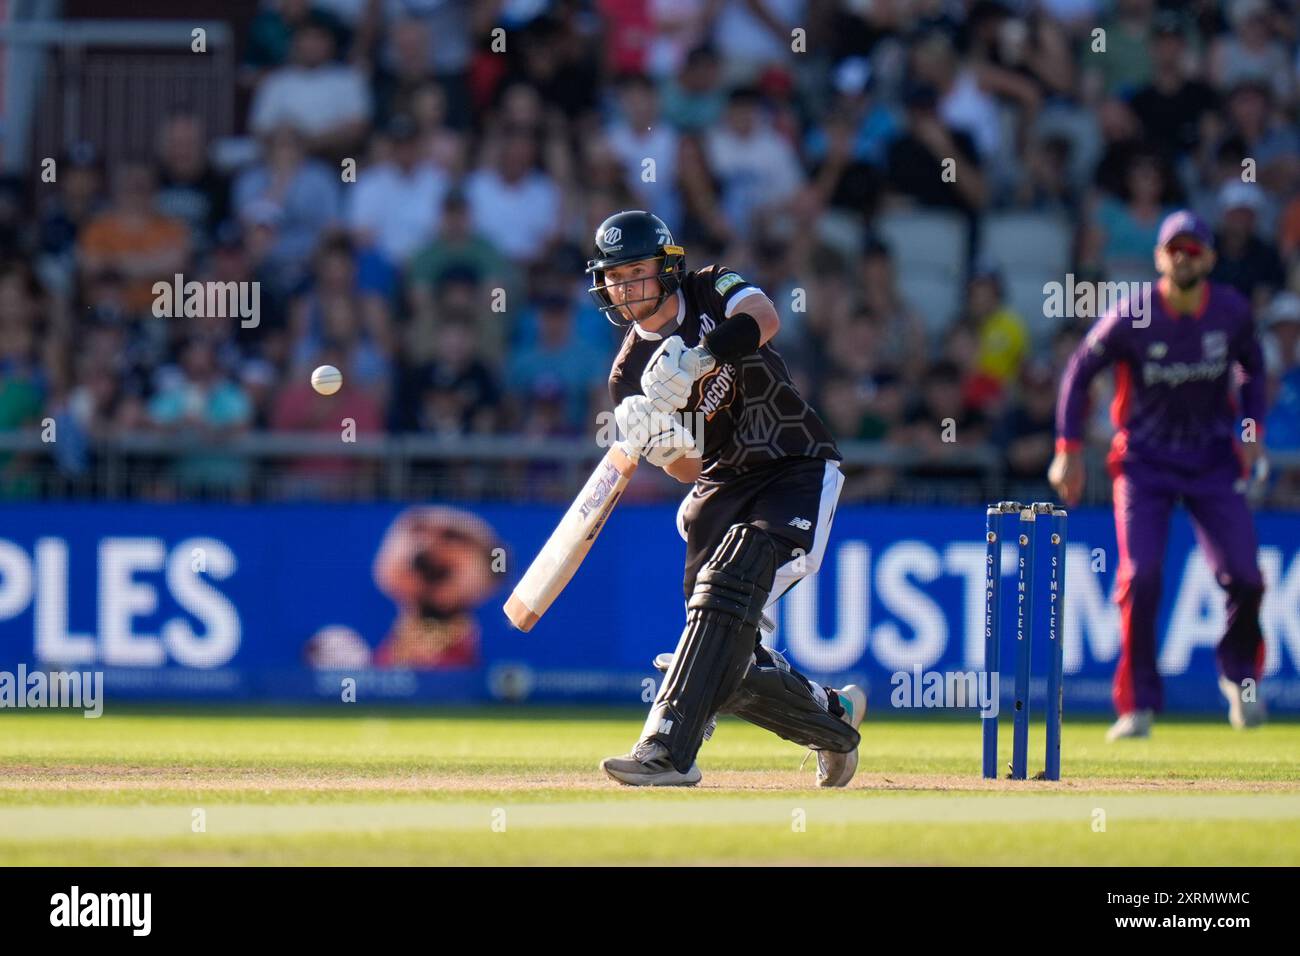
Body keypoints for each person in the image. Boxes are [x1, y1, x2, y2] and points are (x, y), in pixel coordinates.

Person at [588, 210, 865, 788]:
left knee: (729, 592)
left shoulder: (709, 287)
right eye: (614, 276)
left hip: (793, 462)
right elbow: (691, 467)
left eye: (636, 270)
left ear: (666, 268)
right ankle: (832, 719)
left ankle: (668, 750)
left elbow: (764, 318)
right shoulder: (626, 375)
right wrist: (666, 450)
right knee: (728, 657)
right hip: (719, 489)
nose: (624, 287)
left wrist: (702, 356)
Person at [1048, 210, 1269, 739]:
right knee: (1140, 576)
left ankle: (1240, 680)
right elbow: (1080, 371)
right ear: (1158, 257)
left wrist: (1250, 430)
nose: (1183, 257)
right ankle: (1137, 704)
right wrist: (1067, 448)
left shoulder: (1231, 312)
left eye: (1194, 250)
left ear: (1210, 258)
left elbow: (1254, 369)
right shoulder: (1133, 315)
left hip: (1213, 459)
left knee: (1246, 576)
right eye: (1174, 249)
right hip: (1144, 462)